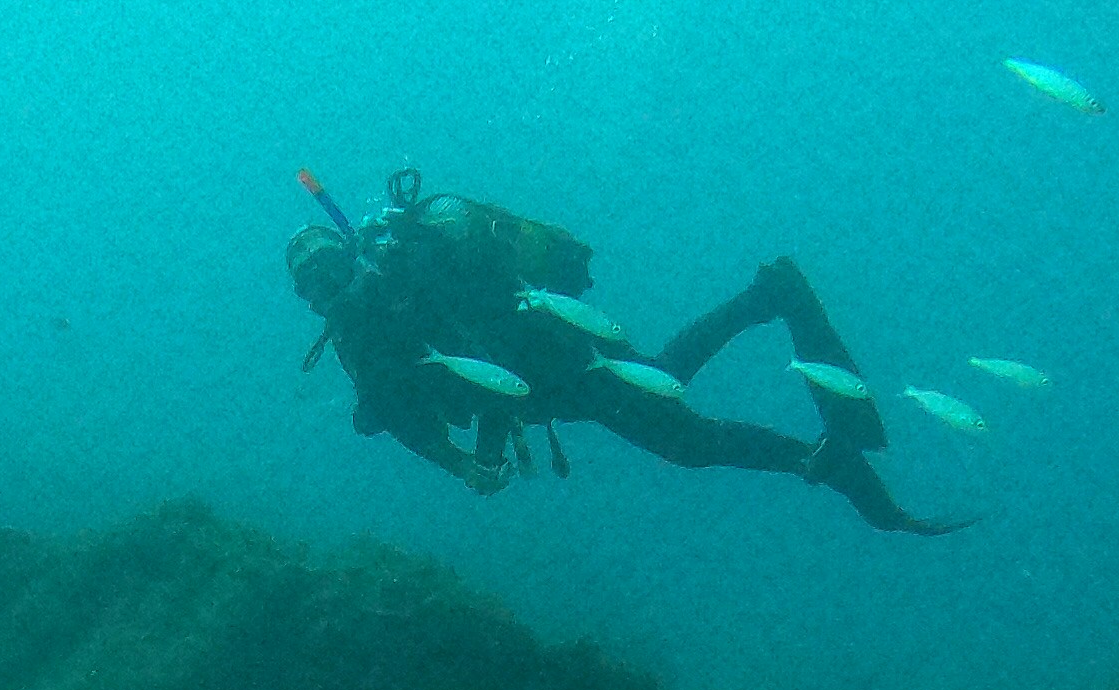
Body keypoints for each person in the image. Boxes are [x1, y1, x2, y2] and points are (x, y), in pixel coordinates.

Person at [280, 171, 965, 535]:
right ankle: (811, 437)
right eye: (310, 288)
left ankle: (773, 304)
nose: (326, 292)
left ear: (351, 258)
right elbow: (400, 416)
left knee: (678, 419)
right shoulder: (361, 340)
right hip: (547, 390)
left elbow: (492, 365)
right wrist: (462, 464)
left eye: (330, 272)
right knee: (677, 416)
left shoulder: (420, 277)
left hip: (561, 356)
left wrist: (484, 454)